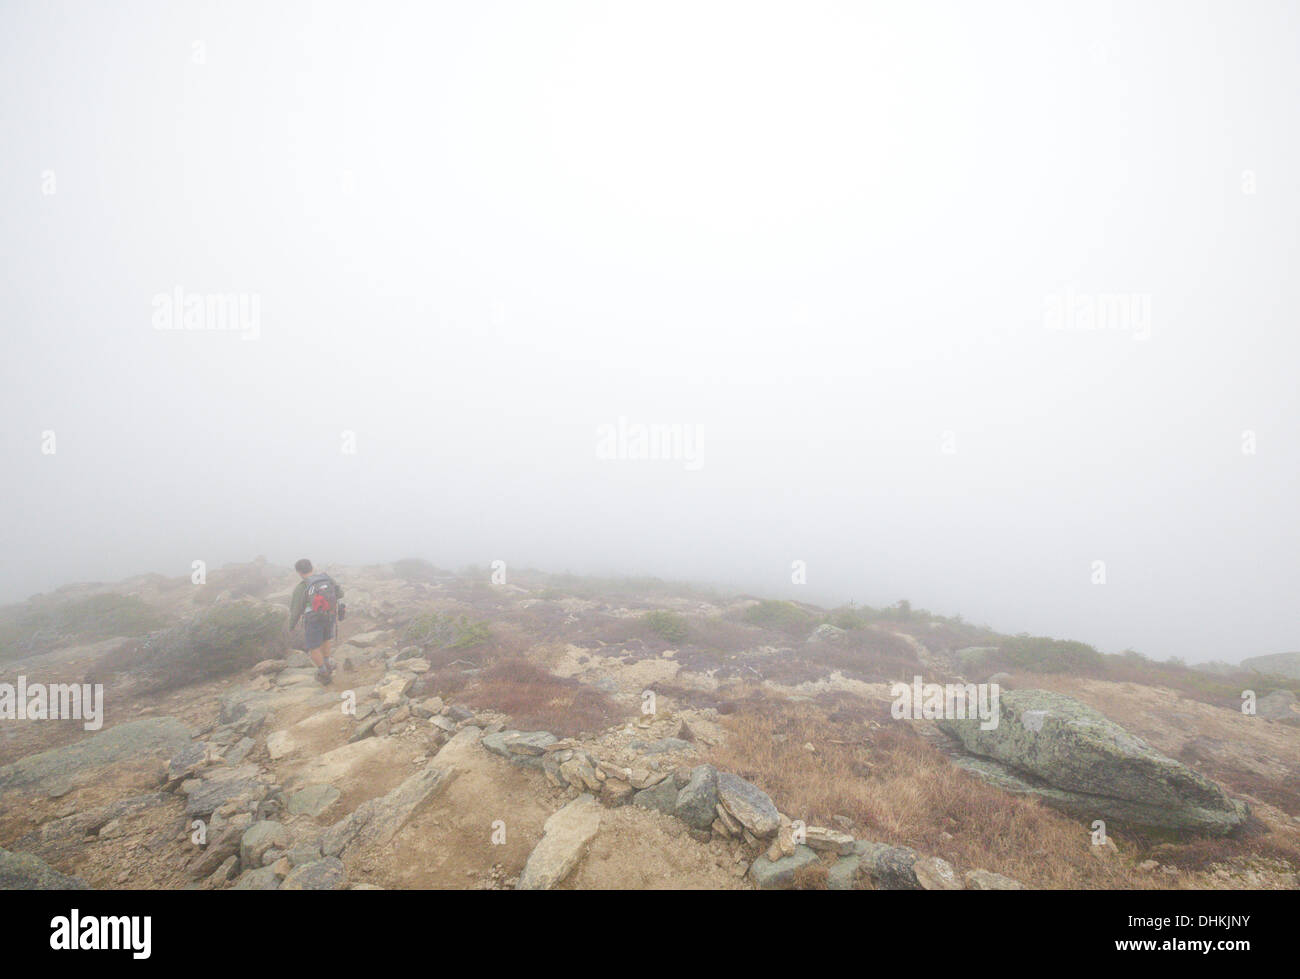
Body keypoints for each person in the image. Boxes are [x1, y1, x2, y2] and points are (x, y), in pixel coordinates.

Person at [288, 558, 344, 684]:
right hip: (329, 615)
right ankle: (327, 662)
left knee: (313, 647)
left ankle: (323, 672)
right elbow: (340, 594)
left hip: (313, 619)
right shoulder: (326, 579)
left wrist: (291, 627)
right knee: (325, 639)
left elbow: (296, 610)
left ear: (299, 572)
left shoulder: (302, 587)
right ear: (312, 568)